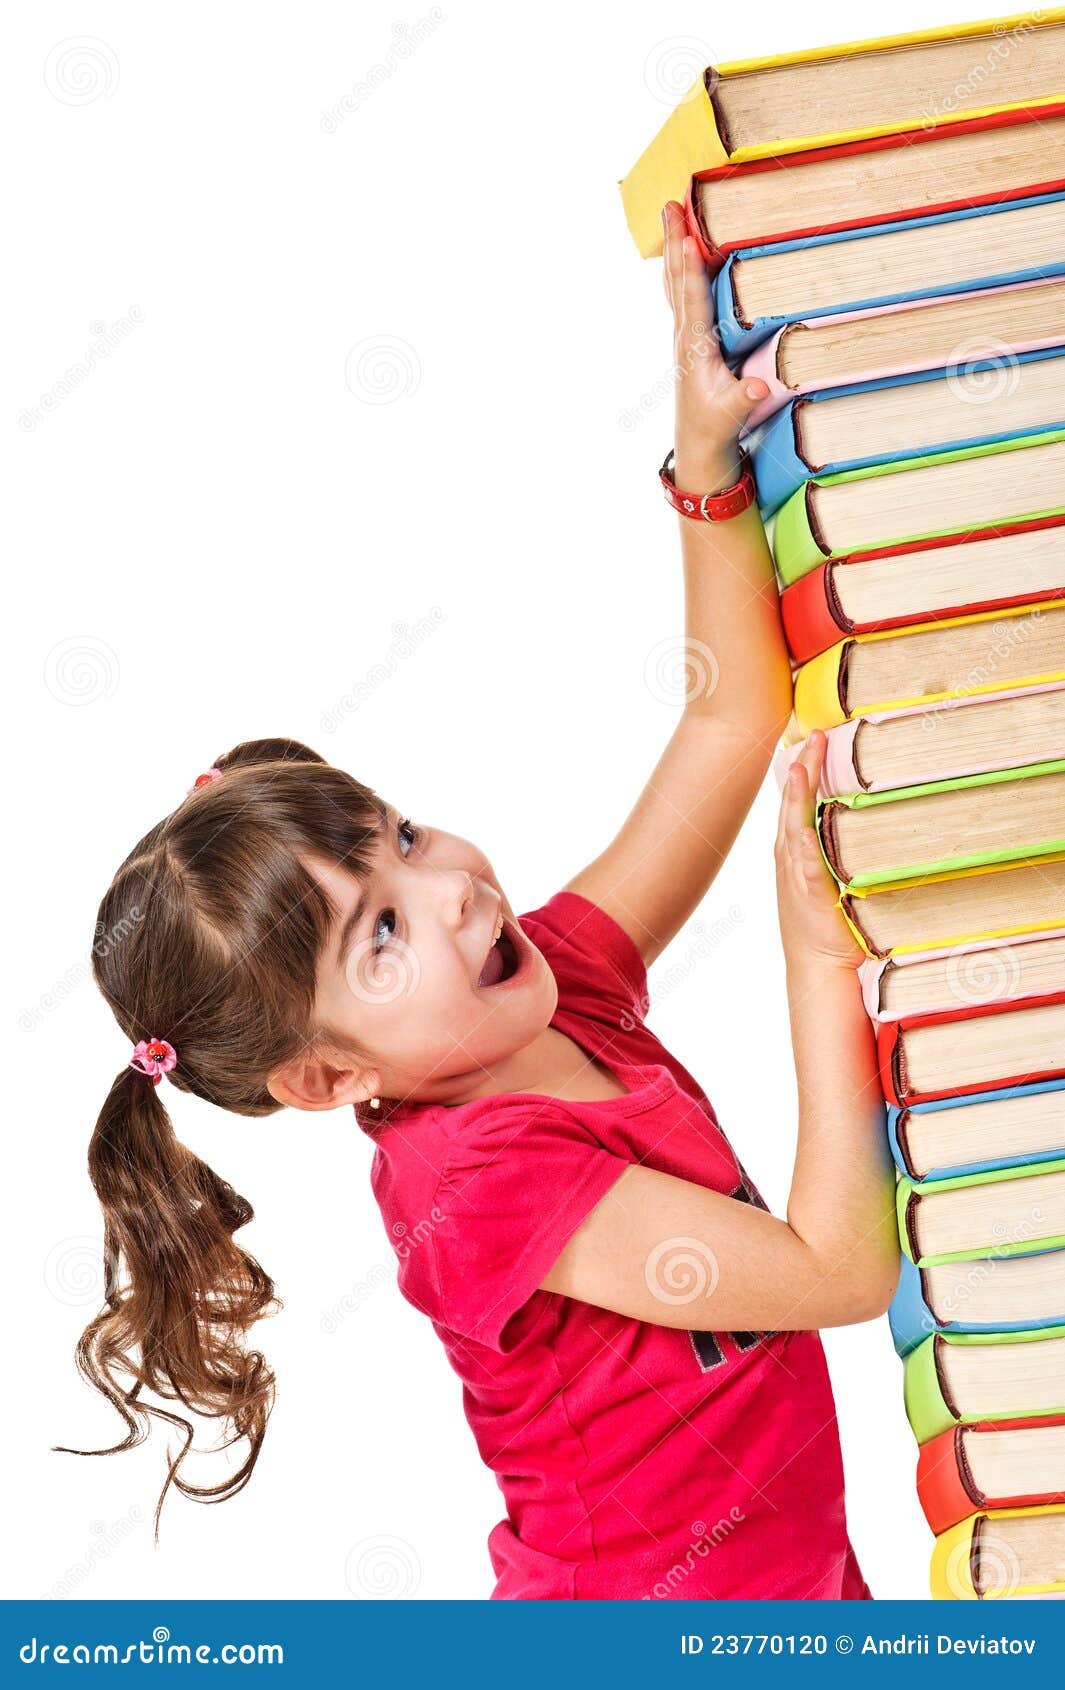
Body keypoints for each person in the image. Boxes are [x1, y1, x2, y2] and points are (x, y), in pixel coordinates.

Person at [62, 200, 898, 1598]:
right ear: (327, 1075)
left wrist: (702, 470)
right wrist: (816, 953)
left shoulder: (556, 979)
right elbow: (832, 1268)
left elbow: (724, 725)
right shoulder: (479, 1181)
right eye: (377, 932)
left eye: (401, 832)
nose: (450, 887)